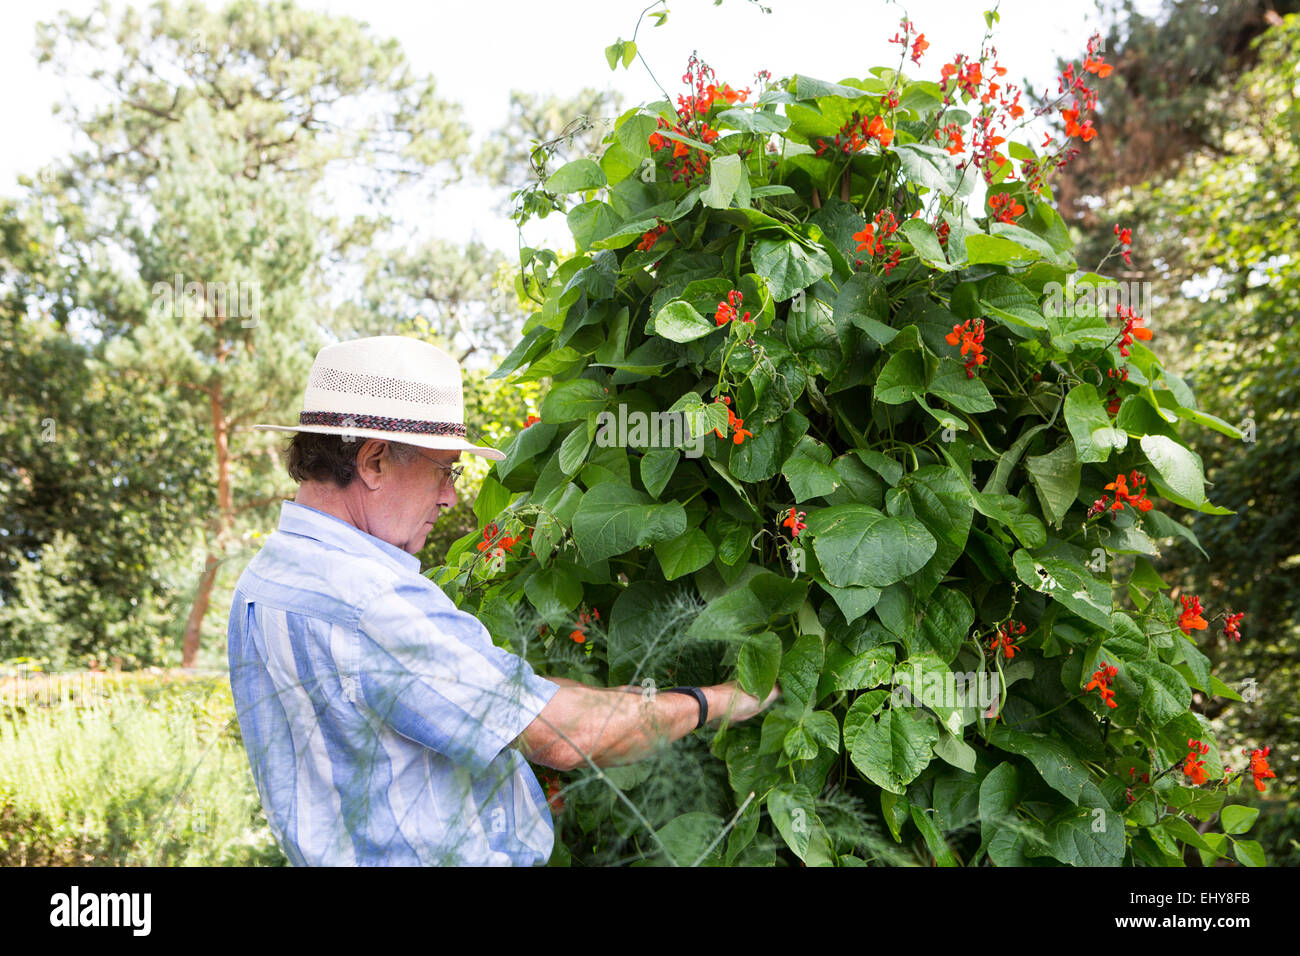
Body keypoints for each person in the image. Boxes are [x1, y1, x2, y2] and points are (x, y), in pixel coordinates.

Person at [227, 335, 779, 866]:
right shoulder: (371, 601)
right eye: (443, 470)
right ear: (373, 462)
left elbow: (492, 700)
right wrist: (716, 701)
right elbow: (567, 738)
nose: (449, 496)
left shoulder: (266, 580)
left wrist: (622, 700)